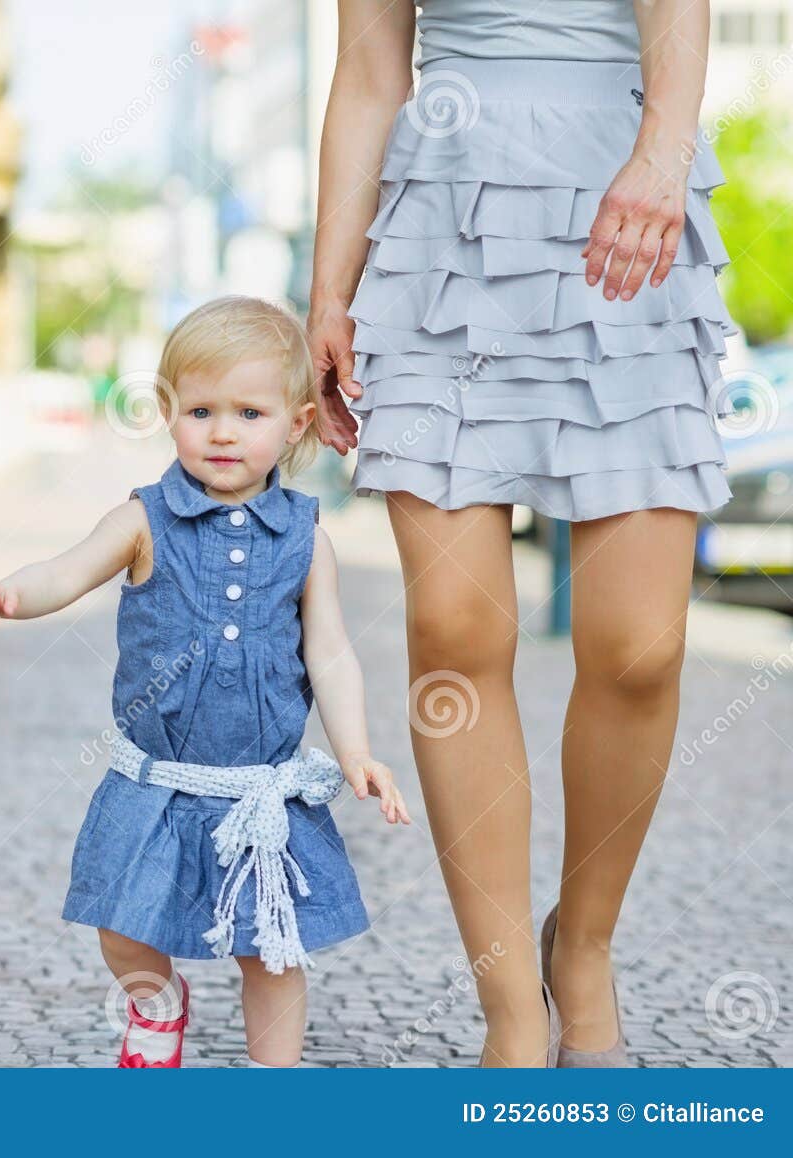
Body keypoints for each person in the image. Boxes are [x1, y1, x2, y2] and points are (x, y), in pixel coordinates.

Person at [310, 0, 736, 1066]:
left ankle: (579, 951)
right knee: (453, 628)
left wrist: (663, 151)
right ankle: (509, 1006)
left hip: (628, 198)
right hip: (438, 227)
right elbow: (368, 72)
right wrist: (327, 290)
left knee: (640, 646)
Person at [0, 295, 412, 1068]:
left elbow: (330, 652)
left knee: (272, 949)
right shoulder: (143, 521)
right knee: (123, 923)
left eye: (249, 412)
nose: (224, 431)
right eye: (201, 410)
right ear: (168, 413)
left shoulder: (307, 542)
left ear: (297, 423)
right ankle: (154, 1003)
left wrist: (358, 749)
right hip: (156, 782)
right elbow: (65, 573)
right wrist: (11, 592)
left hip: (258, 792)